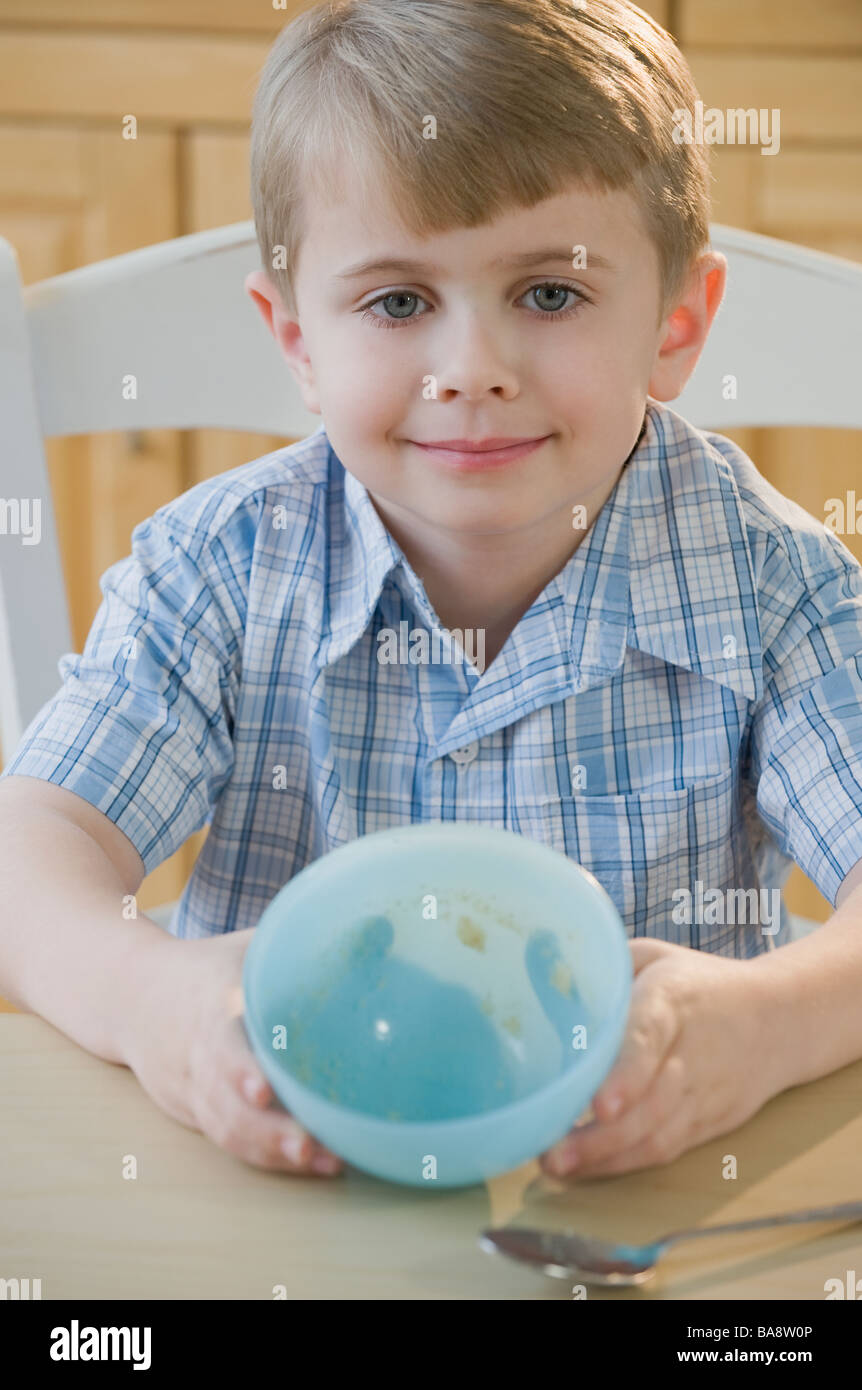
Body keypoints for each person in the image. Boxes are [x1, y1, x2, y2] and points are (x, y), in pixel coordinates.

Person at [3, 0, 862, 1184]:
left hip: (640, 1200)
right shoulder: (218, 568)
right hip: (278, 1187)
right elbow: (31, 846)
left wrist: (770, 1025)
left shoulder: (773, 585)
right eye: (399, 302)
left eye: (548, 295)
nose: (472, 373)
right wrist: (148, 1000)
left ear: (675, 324)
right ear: (298, 339)